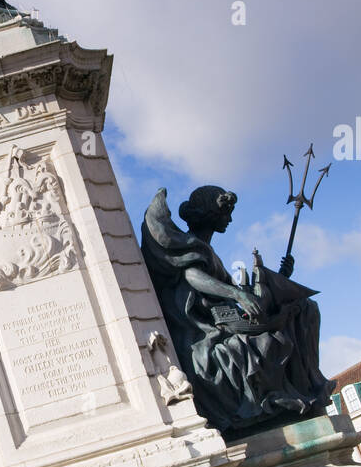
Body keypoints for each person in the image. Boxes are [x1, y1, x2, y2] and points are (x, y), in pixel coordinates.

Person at [141, 185, 333, 435]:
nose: (230, 219)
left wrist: (282, 279)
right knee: (268, 340)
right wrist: (237, 293)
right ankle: (278, 402)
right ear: (211, 213)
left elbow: (252, 298)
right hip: (206, 332)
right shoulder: (192, 246)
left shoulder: (207, 249)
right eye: (226, 213)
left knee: (305, 309)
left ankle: (307, 389)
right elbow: (193, 275)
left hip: (227, 320)